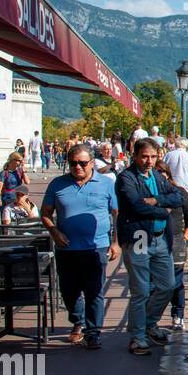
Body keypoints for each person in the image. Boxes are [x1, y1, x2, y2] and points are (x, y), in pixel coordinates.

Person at [41, 144, 120, 350]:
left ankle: (93, 332)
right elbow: (45, 213)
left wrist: (115, 242)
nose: (78, 167)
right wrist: (54, 232)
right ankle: (78, 320)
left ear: (92, 163)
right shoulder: (57, 184)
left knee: (94, 291)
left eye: (83, 163)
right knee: (69, 291)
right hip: (66, 248)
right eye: (73, 163)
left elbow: (116, 214)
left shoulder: (105, 184)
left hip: (97, 247)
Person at [116, 138, 184, 356]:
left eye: (153, 157)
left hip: (159, 238)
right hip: (138, 237)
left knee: (167, 284)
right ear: (135, 156)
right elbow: (135, 205)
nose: (149, 161)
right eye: (144, 156)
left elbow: (178, 197)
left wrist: (155, 201)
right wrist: (162, 211)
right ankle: (137, 337)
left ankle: (149, 323)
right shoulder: (126, 178)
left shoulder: (156, 176)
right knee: (141, 290)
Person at [155, 160, 188, 330]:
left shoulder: (179, 192)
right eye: (156, 174)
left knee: (176, 281)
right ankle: (152, 319)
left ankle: (178, 315)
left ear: (168, 175)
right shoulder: (148, 194)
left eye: (162, 173)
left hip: (176, 241)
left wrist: (185, 238)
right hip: (154, 241)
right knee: (152, 283)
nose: (159, 177)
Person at [0, 151, 27, 224]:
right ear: (13, 160)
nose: (20, 163)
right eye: (19, 161)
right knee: (6, 219)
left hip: (18, 198)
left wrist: (24, 171)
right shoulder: (4, 173)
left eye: (21, 161)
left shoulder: (19, 171)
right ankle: (5, 233)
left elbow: (27, 182)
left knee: (18, 218)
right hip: (7, 198)